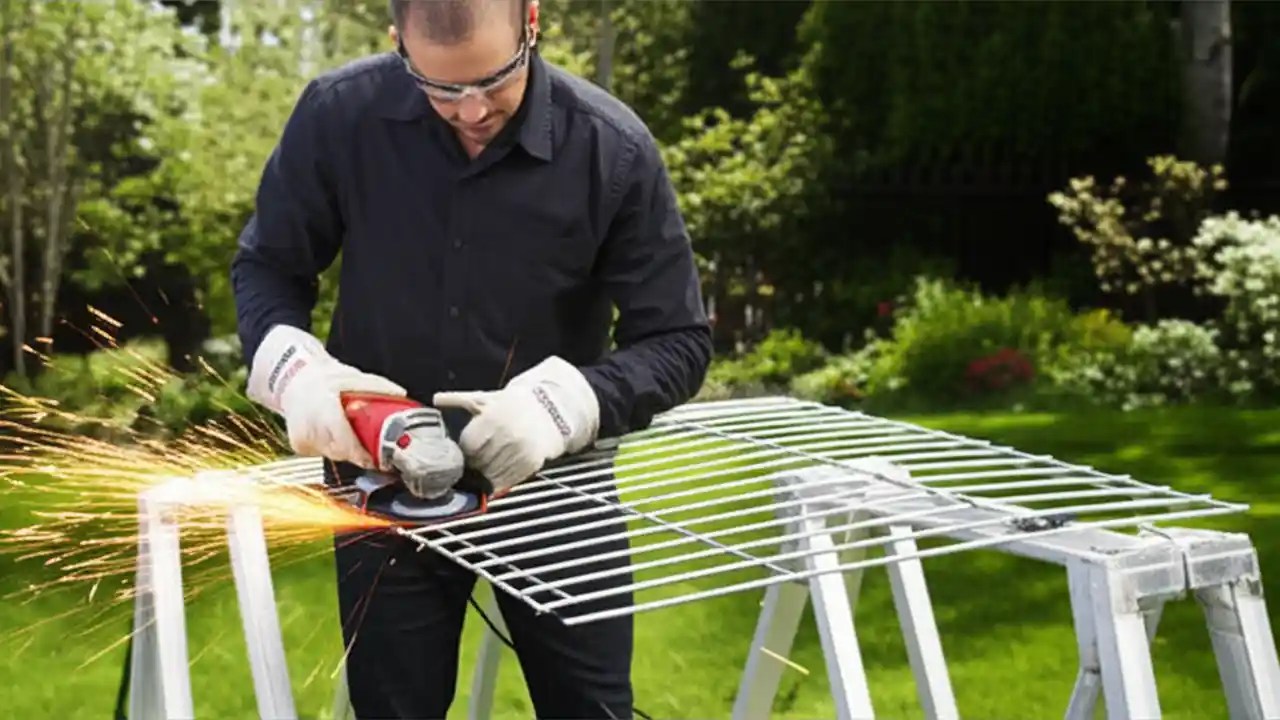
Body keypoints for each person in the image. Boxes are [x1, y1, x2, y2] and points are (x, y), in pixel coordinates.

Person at [229, 0, 713, 717]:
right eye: (441, 88)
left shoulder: (612, 150)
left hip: (558, 487)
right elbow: (267, 267)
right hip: (381, 483)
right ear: (399, 45)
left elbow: (679, 340)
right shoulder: (340, 116)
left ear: (532, 22)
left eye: (494, 79)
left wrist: (564, 407)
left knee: (591, 706)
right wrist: (295, 371)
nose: (471, 110)